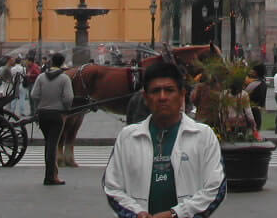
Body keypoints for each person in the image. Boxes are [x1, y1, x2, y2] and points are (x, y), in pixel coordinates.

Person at [104, 61, 226, 218]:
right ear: (145, 98)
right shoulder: (127, 138)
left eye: (169, 90)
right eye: (155, 91)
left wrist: (176, 214)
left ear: (182, 95)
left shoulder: (203, 136)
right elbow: (112, 187)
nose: (162, 97)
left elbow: (216, 187)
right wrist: (137, 214)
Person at [30, 52, 73, 185]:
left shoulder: (41, 77)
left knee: (49, 143)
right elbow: (68, 98)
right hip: (57, 114)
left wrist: (40, 105)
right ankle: (51, 177)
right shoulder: (64, 78)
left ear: (51, 62)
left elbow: (34, 95)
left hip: (43, 114)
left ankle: (50, 174)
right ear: (62, 63)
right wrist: (66, 108)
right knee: (52, 145)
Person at [245, 63, 267, 132]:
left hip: (251, 111)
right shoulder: (263, 83)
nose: (251, 71)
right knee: (256, 131)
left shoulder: (254, 84)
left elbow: (244, 96)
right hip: (258, 111)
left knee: (251, 131)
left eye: (252, 70)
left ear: (256, 72)